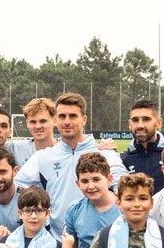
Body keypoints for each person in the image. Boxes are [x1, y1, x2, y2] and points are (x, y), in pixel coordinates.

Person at [16, 92, 121, 220]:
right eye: (62, 116)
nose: (67, 122)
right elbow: (17, 186)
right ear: (55, 120)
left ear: (84, 120)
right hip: (57, 237)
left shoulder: (104, 152)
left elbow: (121, 180)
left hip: (96, 236)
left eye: (72, 116)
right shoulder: (43, 157)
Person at [119, 99, 164, 192]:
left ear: (159, 123)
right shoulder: (122, 160)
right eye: (135, 120)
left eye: (146, 119)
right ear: (130, 124)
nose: (140, 125)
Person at [15, 97, 57, 166]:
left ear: (55, 121)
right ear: (27, 123)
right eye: (33, 122)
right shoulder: (16, 148)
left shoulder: (65, 151)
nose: (38, 126)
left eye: (43, 121)